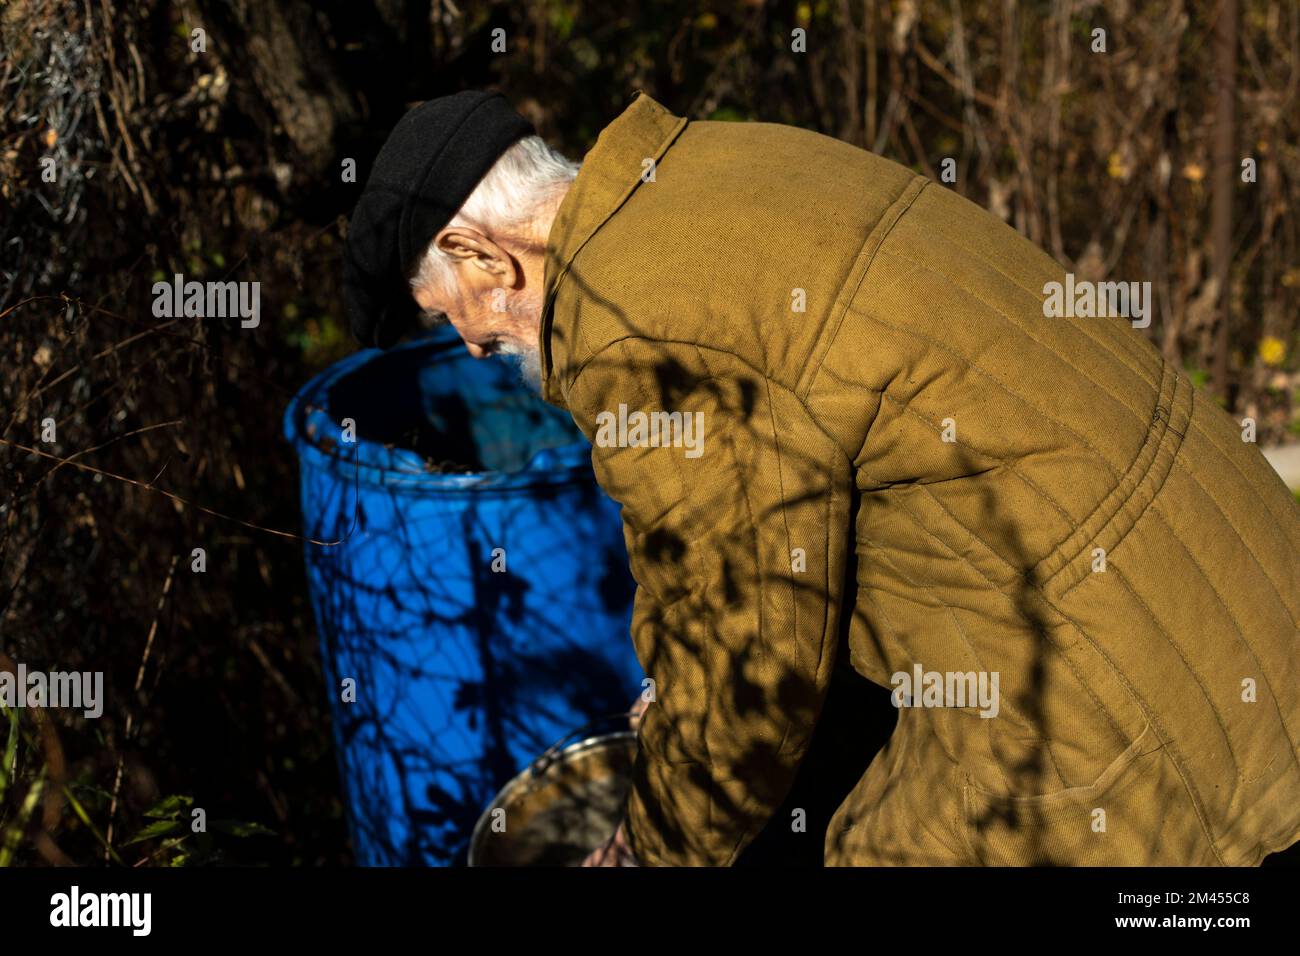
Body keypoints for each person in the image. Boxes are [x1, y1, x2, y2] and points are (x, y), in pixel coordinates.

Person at [344, 89, 1300, 867]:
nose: (469, 345)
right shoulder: (720, 164)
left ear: (481, 254)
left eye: (448, 317)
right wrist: (668, 686)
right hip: (1240, 592)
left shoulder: (633, 330)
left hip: (1143, 723)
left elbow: (746, 664)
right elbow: (766, 533)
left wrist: (648, 849)